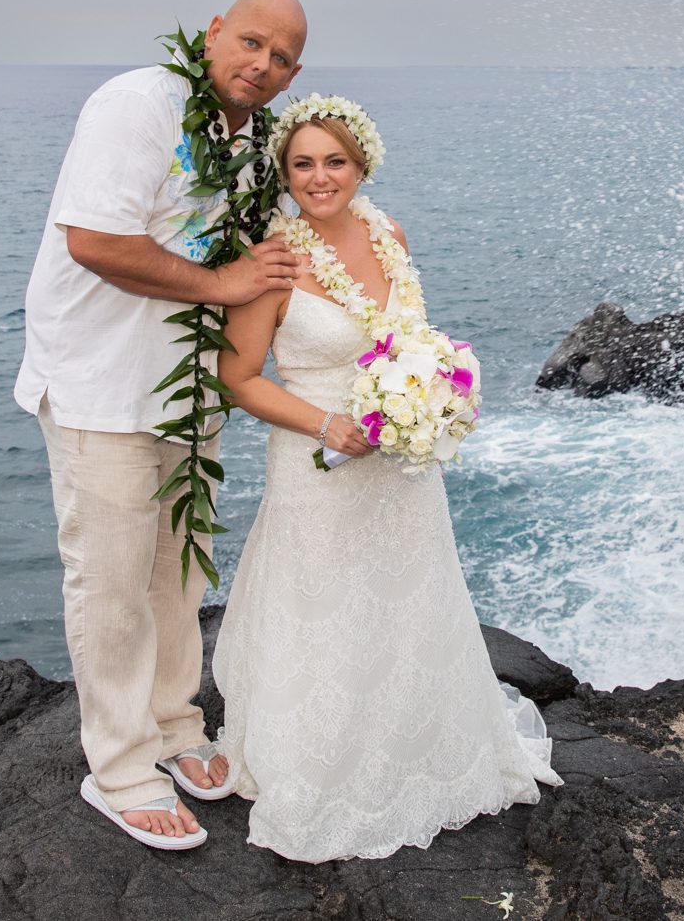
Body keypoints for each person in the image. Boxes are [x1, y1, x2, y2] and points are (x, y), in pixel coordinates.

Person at [212, 96, 562, 861]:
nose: (319, 176)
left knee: (407, 594)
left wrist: (432, 393)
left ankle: (417, 745)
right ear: (284, 172)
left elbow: (409, 339)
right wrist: (324, 423)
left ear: (361, 164)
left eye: (334, 160)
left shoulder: (389, 234)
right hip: (319, 463)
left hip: (400, 464)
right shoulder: (275, 258)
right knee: (325, 603)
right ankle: (322, 765)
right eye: (302, 163)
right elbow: (238, 377)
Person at [14, 0, 308, 849]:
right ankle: (119, 765)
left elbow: (270, 249)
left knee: (178, 566)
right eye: (250, 41)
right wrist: (220, 284)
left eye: (281, 57)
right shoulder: (139, 104)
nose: (261, 64)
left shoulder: (253, 141)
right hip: (99, 383)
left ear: (293, 73)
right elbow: (95, 239)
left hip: (185, 387)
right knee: (109, 579)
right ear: (214, 32)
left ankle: (176, 723)